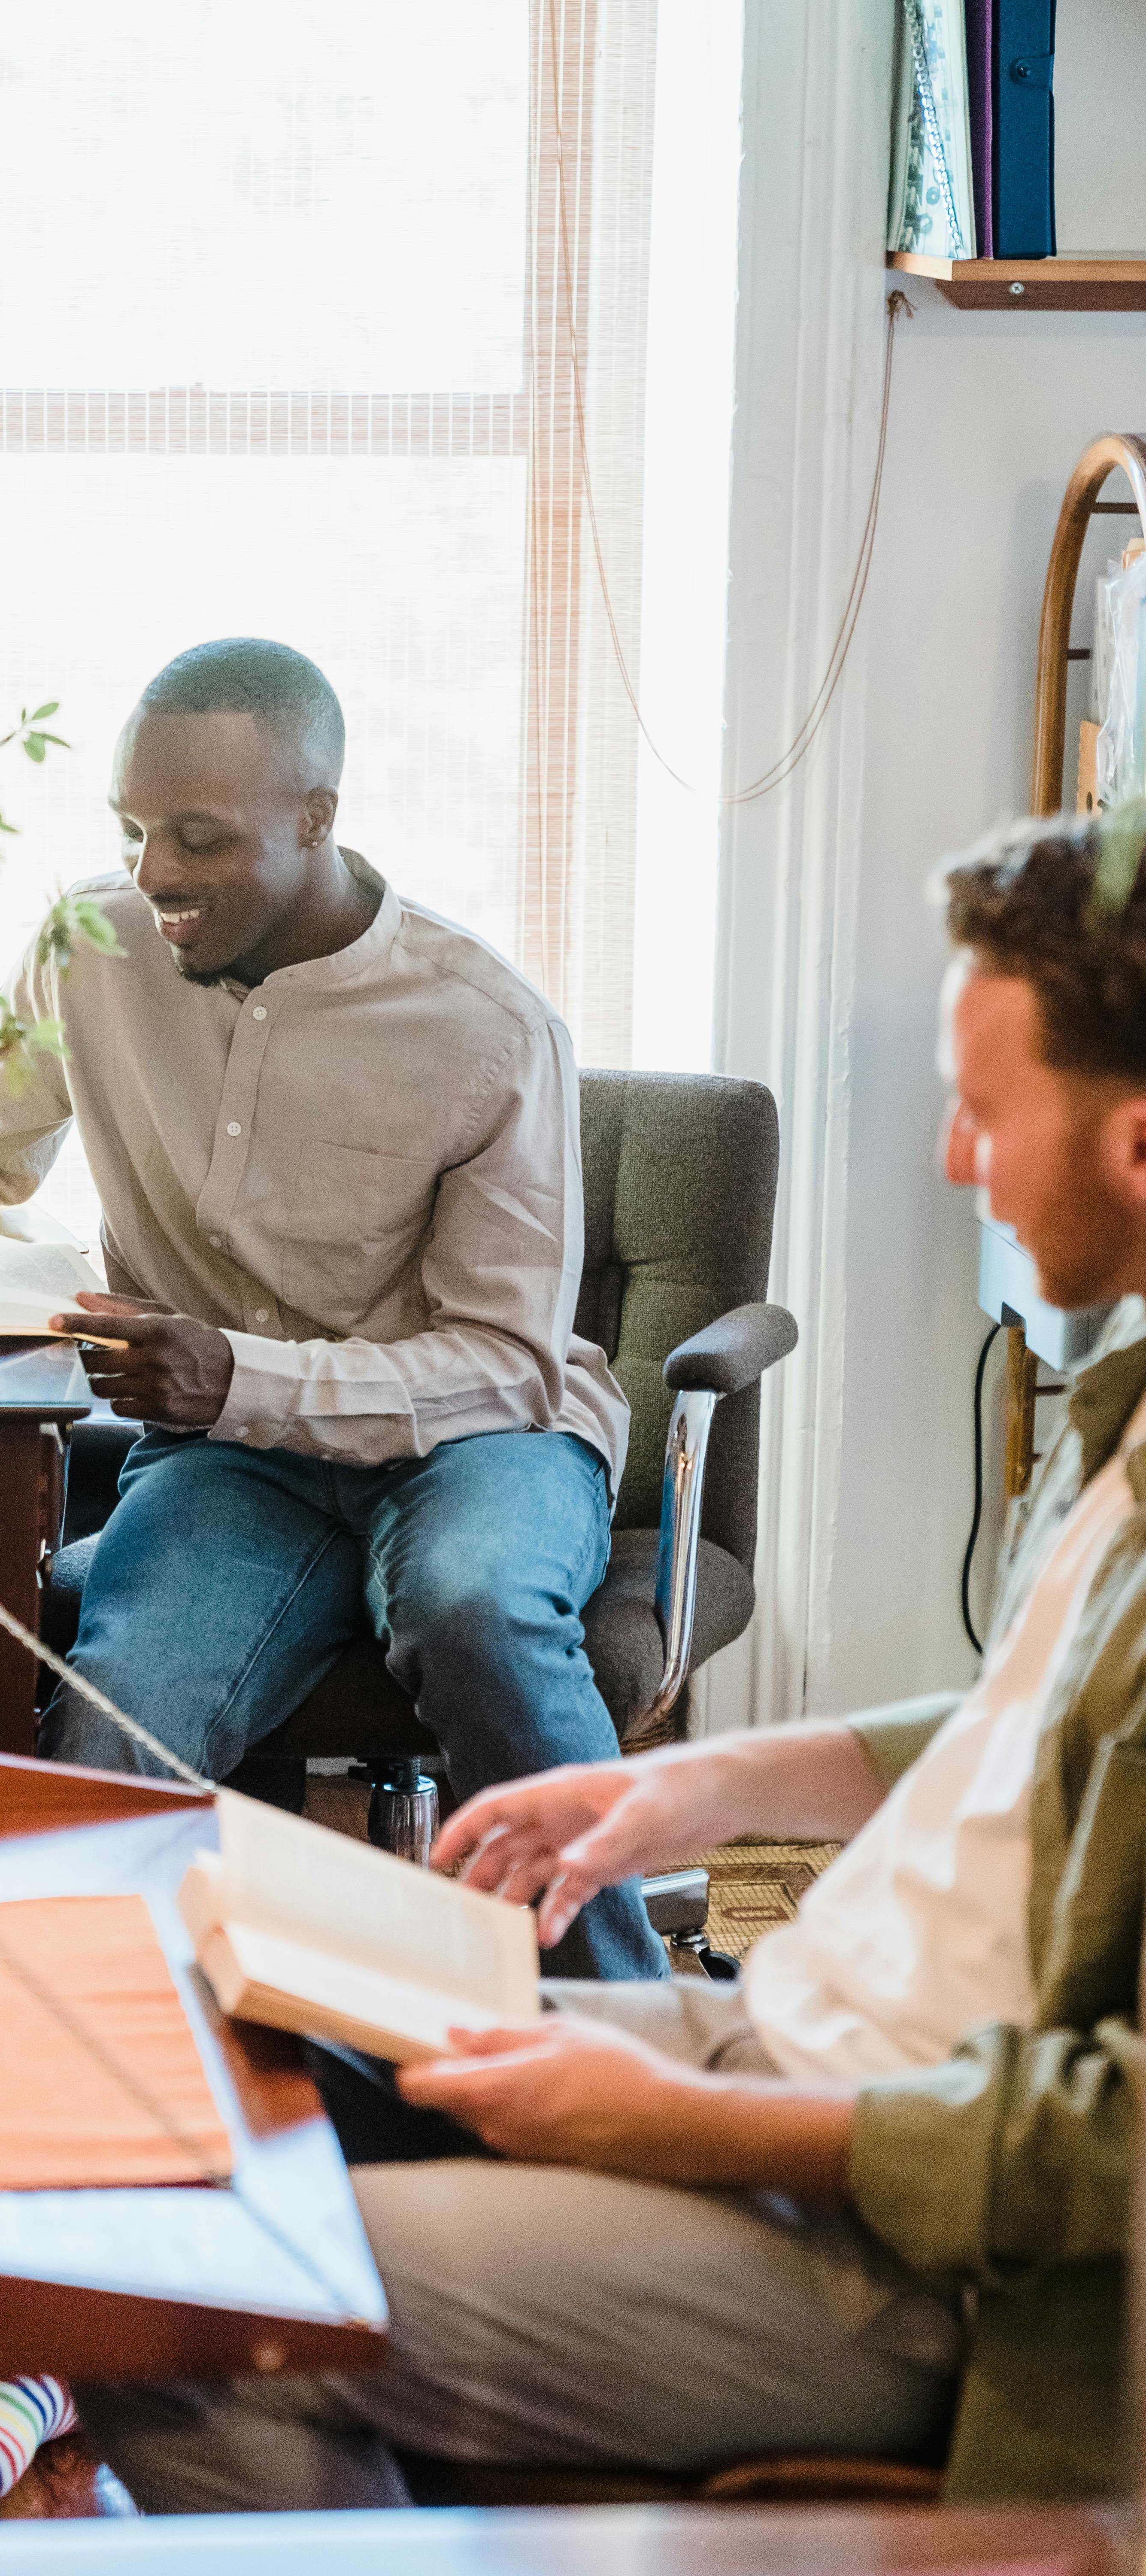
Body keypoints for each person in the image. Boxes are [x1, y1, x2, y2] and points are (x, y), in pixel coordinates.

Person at [69, 811, 1146, 2512]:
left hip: (934, 2252)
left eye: (983, 1110)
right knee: (233, 2062)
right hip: (791, 2039)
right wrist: (671, 1791)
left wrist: (675, 2131)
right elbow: (1030, 1723)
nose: (955, 1160)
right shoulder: (1117, 1422)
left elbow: (1116, 2148)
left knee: (174, 2307)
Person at [0, 635, 662, 1981]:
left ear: (318, 819)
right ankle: (110, 2060)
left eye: (197, 839)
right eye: (132, 830)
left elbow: (503, 1363)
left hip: (482, 1441)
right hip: (236, 1466)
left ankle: (630, 2031)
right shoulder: (92, 951)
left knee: (471, 1608)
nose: (153, 877)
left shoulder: (487, 1030)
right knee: (115, 1719)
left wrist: (235, 1376)